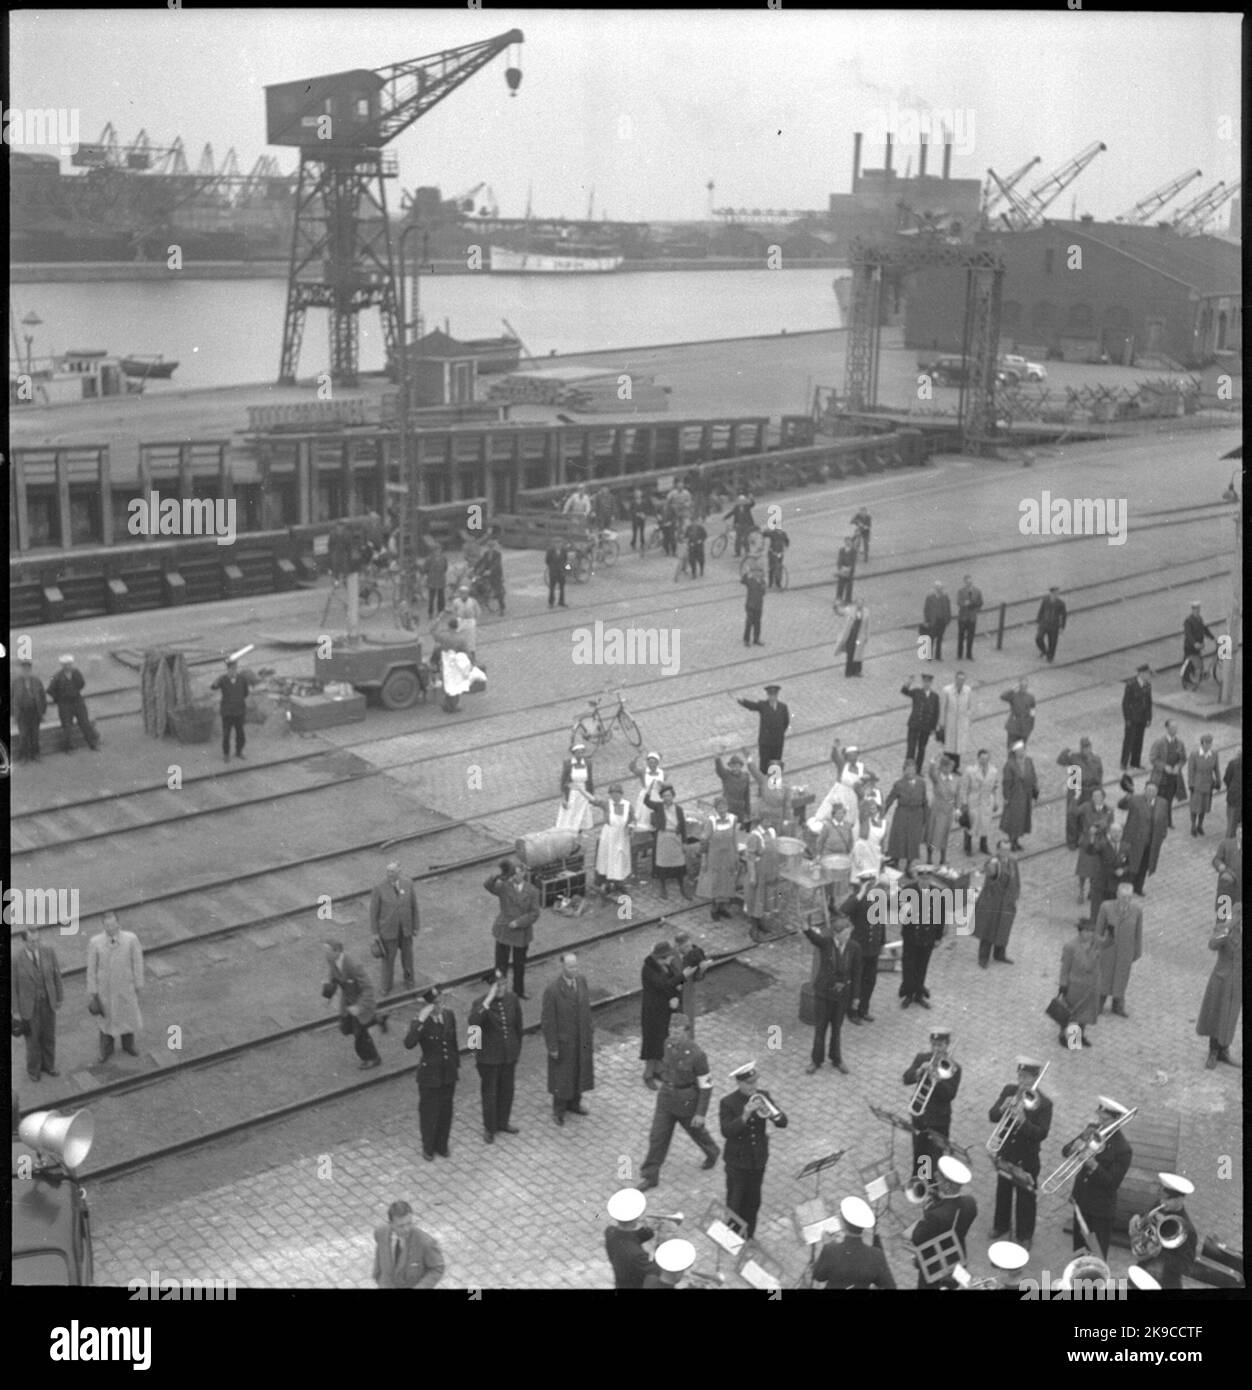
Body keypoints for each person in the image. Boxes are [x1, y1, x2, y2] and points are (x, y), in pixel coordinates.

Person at [637, 1013, 720, 1189]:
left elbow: (706, 1085)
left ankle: (712, 1152)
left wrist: (700, 1113)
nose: (673, 1034)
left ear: (686, 1032)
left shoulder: (697, 1055)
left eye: (677, 1031)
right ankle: (650, 1176)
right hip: (666, 1098)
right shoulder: (667, 1044)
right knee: (657, 1137)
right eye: (671, 1030)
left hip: (686, 1102)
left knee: (697, 1132)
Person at [988, 1058, 1053, 1248]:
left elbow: (1041, 1134)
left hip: (1027, 1157)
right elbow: (992, 1116)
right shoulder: (1009, 1091)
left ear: (1035, 1078)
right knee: (1003, 1191)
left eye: (1025, 1077)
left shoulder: (1044, 1103)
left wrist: (1023, 1122)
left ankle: (1025, 1235)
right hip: (1006, 1151)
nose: (1021, 1081)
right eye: (1020, 1076)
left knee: (1026, 1197)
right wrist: (1003, 1107)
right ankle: (1000, 1225)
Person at [719, 1061, 788, 1238]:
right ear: (739, 1083)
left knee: (753, 1202)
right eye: (749, 1083)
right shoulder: (728, 1102)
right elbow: (726, 1131)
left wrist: (773, 1114)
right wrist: (745, 1115)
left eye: (755, 1082)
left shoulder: (762, 1096)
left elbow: (783, 1122)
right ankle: (732, 1238)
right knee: (735, 1204)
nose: (753, 1086)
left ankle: (749, 1236)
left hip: (757, 1160)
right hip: (737, 1163)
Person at [1067, 1097, 1134, 1258]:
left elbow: (1112, 1183)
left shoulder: (1122, 1149)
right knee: (1079, 1248)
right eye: (1099, 1118)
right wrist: (1073, 1146)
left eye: (1105, 1120)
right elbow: (1065, 1150)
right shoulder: (1092, 1130)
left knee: (1096, 1253)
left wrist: (1094, 1166)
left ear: (1117, 1120)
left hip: (1100, 1209)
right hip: (1081, 1200)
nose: (1100, 1123)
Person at [403, 985, 458, 1160]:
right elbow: (409, 1043)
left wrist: (456, 1065)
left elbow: (453, 1042)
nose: (440, 1005)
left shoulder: (449, 1015)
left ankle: (442, 1145)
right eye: (436, 1003)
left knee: (446, 1111)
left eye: (441, 1001)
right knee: (429, 1113)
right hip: (430, 1075)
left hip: (448, 1072)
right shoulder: (421, 1022)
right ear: (428, 1005)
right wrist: (420, 1019)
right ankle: (428, 1147)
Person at [469, 969, 522, 1143]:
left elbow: (518, 1027)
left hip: (508, 1056)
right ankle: (490, 1128)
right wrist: (488, 1000)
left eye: (504, 984)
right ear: (491, 987)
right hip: (489, 1059)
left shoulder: (512, 999)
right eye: (498, 985)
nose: (502, 988)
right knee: (490, 1094)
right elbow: (473, 1026)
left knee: (507, 1090)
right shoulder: (480, 1003)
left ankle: (503, 1122)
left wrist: (516, 1050)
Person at [803, 917, 860, 1075]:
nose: (848, 937)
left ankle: (836, 1058)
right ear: (836, 933)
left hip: (842, 996)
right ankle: (816, 1060)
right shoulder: (826, 943)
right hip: (824, 994)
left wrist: (856, 997)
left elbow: (857, 973)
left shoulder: (854, 947)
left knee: (837, 1029)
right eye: (845, 934)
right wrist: (806, 927)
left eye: (849, 933)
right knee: (820, 1028)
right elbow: (813, 937)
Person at [543, 952, 595, 1125]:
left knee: (579, 1071)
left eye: (576, 966)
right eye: (570, 967)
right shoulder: (552, 990)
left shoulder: (581, 981)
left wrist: (589, 1030)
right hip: (564, 1042)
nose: (574, 970)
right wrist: (552, 1046)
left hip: (582, 1038)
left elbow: (586, 1008)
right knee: (562, 1077)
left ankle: (575, 1103)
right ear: (563, 967)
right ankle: (558, 1110)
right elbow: (548, 1021)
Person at [902, 1026, 961, 1180]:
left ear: (947, 1045)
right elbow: (906, 1078)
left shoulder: (954, 1068)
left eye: (940, 1045)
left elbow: (950, 1095)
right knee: (921, 1153)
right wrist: (919, 1071)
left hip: (939, 1120)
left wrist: (938, 1080)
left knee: (935, 1156)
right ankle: (920, 1184)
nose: (936, 1049)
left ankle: (933, 1187)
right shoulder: (922, 1058)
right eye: (933, 1045)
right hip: (920, 1116)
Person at [86, 911, 144, 1063]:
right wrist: (93, 990)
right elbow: (91, 968)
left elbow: (137, 962)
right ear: (103, 926)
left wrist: (138, 983)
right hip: (105, 990)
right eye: (107, 926)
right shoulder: (95, 942)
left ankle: (128, 1045)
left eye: (113, 925)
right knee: (106, 1021)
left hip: (125, 987)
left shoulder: (131, 939)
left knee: (127, 1017)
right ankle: (106, 1050)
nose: (110, 928)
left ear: (118, 923)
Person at [911, 1156, 977, 1288]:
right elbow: (951, 1211)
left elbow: (917, 1238)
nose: (935, 1175)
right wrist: (941, 1202)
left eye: (939, 1177)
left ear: (947, 1185)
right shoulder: (970, 1202)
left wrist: (927, 1210)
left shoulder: (935, 1215)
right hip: (957, 1257)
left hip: (935, 1265)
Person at [320, 937, 382, 1070]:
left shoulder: (354, 966)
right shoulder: (332, 960)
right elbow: (334, 977)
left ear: (337, 951)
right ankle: (376, 1019)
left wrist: (359, 1007)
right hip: (348, 1002)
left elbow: (368, 989)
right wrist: (328, 994)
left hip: (361, 1004)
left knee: (360, 1034)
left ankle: (372, 1058)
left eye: (328, 951)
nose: (325, 954)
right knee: (346, 1028)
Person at [12, 927, 63, 1082]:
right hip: (28, 1007)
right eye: (31, 941)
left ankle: (49, 1065)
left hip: (48, 1002)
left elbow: (56, 975)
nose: (35, 944)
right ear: (24, 941)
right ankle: (34, 1070)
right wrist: (15, 1011)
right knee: (32, 1040)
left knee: (49, 1036)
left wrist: (59, 997)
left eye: (37, 940)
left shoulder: (49, 952)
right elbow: (13, 986)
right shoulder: (16, 959)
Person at [1130, 1174, 1198, 1290]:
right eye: (1161, 1197)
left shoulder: (1188, 1230)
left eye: (1167, 1199)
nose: (1162, 1201)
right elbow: (1145, 1218)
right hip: (1141, 1273)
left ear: (1180, 1199)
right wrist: (1137, 1218)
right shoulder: (1160, 1206)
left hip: (1164, 1282)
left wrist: (1159, 1253)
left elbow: (1187, 1267)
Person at [484, 859, 540, 999]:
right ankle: (499, 991)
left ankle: (518, 991)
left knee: (519, 965)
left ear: (524, 873)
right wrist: (497, 876)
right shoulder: (504, 886)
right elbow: (488, 886)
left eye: (518, 873)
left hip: (521, 932)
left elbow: (534, 913)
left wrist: (518, 922)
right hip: (504, 930)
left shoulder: (532, 891)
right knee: (500, 965)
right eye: (513, 873)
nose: (515, 876)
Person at [811, 1197, 896, 1289]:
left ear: (843, 1223)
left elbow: (819, 1276)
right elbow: (890, 1286)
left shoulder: (830, 1249)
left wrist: (824, 1244)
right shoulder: (876, 1255)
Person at [1197, 907, 1241, 1068]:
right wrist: (1227, 928)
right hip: (1221, 980)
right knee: (1217, 1014)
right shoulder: (1224, 927)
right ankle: (1213, 1051)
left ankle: (1224, 1049)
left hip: (1237, 983)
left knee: (1230, 1017)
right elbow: (1213, 944)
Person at [1057, 919, 1110, 1048]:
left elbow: (1107, 943)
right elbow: (1065, 968)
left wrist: (1110, 933)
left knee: (1085, 1014)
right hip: (1075, 986)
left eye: (1092, 931)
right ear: (1080, 931)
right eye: (1087, 931)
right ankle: (1065, 1036)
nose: (1090, 934)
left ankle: (1080, 1036)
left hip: (1091, 986)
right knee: (1072, 1014)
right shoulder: (1070, 946)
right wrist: (1063, 984)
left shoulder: (1095, 943)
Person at [370, 860, 419, 995]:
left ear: (399, 872)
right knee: (388, 961)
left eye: (392, 871)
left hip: (406, 930)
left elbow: (414, 906)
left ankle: (409, 981)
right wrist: (375, 932)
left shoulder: (408, 884)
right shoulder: (379, 888)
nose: (389, 874)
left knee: (408, 959)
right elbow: (373, 912)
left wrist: (415, 926)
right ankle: (386, 986)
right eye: (388, 871)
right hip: (388, 931)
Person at [842, 871, 885, 1022]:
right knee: (856, 982)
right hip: (859, 948)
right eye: (867, 883)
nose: (870, 886)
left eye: (872, 883)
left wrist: (882, 942)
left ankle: (863, 1009)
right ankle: (852, 1011)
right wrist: (860, 893)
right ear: (861, 883)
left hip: (873, 948)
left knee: (870, 981)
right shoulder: (856, 899)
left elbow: (881, 923)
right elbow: (843, 910)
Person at [898, 869, 944, 1009]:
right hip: (911, 935)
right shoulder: (908, 890)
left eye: (927, 878)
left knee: (922, 966)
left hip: (927, 936)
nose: (925, 881)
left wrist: (938, 937)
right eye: (922, 878)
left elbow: (940, 917)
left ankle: (919, 994)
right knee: (908, 966)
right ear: (918, 878)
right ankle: (908, 994)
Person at [1096, 881, 1143, 1018]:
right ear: (1117, 895)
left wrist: (1137, 951)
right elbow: (1098, 930)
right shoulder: (1106, 907)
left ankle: (1118, 1005)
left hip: (1125, 951)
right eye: (1123, 897)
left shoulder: (1137, 910)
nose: (1126, 900)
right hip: (1108, 950)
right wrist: (1098, 946)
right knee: (1105, 977)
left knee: (1121, 979)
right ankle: (1098, 1003)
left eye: (1129, 897)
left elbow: (1138, 933)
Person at [373, 1200, 445, 1288]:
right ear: (391, 1224)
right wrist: (378, 1276)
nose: (406, 1229)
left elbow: (437, 1268)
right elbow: (380, 1251)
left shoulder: (425, 1242)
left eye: (409, 1223)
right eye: (401, 1226)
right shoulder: (380, 1232)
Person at [640, 941, 682, 1088]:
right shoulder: (649, 970)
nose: (672, 959)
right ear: (661, 958)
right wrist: (683, 977)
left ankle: (659, 1069)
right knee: (652, 1041)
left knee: (662, 1040)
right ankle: (648, 1073)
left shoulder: (666, 967)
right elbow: (663, 985)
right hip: (652, 1012)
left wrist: (676, 997)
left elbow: (674, 986)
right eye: (669, 957)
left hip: (665, 1010)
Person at [1118, 780, 1169, 896]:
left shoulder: (1162, 803)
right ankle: (1127, 888)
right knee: (1132, 865)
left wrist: (1162, 834)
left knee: (1145, 865)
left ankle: (1138, 887)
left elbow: (1164, 819)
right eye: (1149, 790)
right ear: (1144, 790)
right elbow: (1121, 805)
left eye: (1153, 791)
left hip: (1151, 842)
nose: (1151, 793)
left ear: (1157, 792)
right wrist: (1126, 797)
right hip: (1135, 841)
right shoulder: (1135, 800)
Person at [974, 842, 1020, 968]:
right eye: (1003, 850)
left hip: (1007, 902)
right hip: (993, 902)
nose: (1006, 852)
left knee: (1004, 928)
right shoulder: (993, 862)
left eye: (1008, 850)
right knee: (989, 929)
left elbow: (1017, 879)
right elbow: (988, 871)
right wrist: (989, 866)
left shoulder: (1012, 861)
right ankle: (983, 958)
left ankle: (999, 954)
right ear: (998, 850)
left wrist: (1016, 895)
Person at [643, 783, 691, 902]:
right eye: (664, 796)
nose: (666, 798)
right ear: (661, 797)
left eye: (668, 795)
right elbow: (646, 801)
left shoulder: (679, 809)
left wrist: (684, 842)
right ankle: (663, 887)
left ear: (673, 796)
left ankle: (682, 886)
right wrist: (650, 788)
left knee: (679, 863)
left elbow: (683, 826)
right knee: (663, 863)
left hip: (676, 837)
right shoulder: (659, 807)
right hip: (663, 837)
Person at [604, 1189, 658, 1288]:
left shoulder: (609, 1232)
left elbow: (630, 1237)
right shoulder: (637, 1255)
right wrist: (661, 1242)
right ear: (638, 1217)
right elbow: (656, 1270)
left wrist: (649, 1230)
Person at [697, 796, 740, 920]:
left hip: (729, 855)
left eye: (724, 807)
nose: (722, 810)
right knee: (716, 881)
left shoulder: (733, 819)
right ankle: (714, 908)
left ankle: (723, 908)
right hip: (715, 856)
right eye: (719, 808)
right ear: (716, 809)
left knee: (727, 881)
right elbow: (704, 841)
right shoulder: (711, 821)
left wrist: (736, 854)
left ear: (727, 807)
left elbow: (734, 837)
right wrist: (704, 859)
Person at [1057, 737, 1104, 850]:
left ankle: (1085, 839)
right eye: (1084, 748)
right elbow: (1060, 760)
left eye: (1088, 747)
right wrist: (1068, 750)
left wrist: (1099, 791)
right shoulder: (1074, 757)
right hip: (1076, 790)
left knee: (1088, 816)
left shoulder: (1096, 759)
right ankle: (1072, 841)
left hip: (1091, 790)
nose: (1086, 750)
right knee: (1073, 815)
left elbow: (1100, 775)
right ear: (1081, 748)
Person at [589, 782, 635, 896]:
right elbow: (593, 801)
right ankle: (608, 883)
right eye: (612, 794)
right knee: (608, 858)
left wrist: (631, 828)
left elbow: (633, 819)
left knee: (620, 858)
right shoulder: (606, 804)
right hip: (609, 836)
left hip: (621, 835)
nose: (614, 796)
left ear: (621, 794)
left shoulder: (627, 805)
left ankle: (619, 883)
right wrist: (581, 790)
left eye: (617, 793)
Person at [47, 654, 99, 753]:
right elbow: (50, 690)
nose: (68, 666)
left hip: (77, 701)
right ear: (62, 665)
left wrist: (75, 691)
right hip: (65, 704)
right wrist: (58, 699)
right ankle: (68, 747)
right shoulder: (56, 676)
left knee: (85, 723)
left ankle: (92, 744)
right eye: (66, 664)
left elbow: (82, 683)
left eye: (69, 664)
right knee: (67, 726)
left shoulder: (76, 672)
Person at [884, 758, 927, 870]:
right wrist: (881, 814)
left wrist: (926, 818)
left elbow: (924, 801)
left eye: (913, 769)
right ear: (904, 771)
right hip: (902, 814)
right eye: (908, 769)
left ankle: (909, 866)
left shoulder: (921, 783)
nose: (911, 772)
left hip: (916, 815)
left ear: (916, 770)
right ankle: (896, 863)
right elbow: (889, 800)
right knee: (899, 838)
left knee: (913, 840)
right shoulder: (899, 784)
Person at [1074, 787, 1113, 907]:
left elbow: (1110, 826)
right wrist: (1083, 831)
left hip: (1100, 844)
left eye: (1099, 796)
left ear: (1103, 797)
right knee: (1083, 869)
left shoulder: (1109, 810)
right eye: (1094, 796)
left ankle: (1092, 889)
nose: (1096, 798)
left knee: (1096, 868)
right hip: (1087, 842)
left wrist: (1103, 831)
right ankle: (1081, 891)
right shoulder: (1086, 807)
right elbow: (1074, 814)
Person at [743, 822, 781, 942]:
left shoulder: (772, 831)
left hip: (769, 872)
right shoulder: (754, 836)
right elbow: (750, 858)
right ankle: (753, 928)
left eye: (770, 819)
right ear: (761, 820)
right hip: (759, 873)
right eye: (766, 819)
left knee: (765, 900)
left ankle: (760, 923)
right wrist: (753, 876)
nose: (768, 822)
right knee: (756, 900)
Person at [736, 684, 790, 768]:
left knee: (776, 764)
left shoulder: (783, 707)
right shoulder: (763, 705)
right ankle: (763, 776)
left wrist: (779, 733)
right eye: (771, 695)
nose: (772, 697)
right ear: (768, 695)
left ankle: (774, 777)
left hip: (778, 743)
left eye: (774, 695)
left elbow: (786, 722)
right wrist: (742, 700)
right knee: (764, 764)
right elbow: (752, 705)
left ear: (777, 695)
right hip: (765, 743)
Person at [959, 747, 999, 856]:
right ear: (978, 758)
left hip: (987, 801)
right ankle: (967, 846)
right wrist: (964, 803)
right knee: (972, 824)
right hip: (974, 801)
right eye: (982, 759)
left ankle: (983, 845)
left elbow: (995, 787)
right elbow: (964, 788)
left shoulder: (993, 771)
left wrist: (996, 801)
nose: (984, 761)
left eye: (986, 759)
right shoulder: (970, 771)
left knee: (985, 825)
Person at [1148, 719, 1187, 828]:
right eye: (1172, 728)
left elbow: (1183, 759)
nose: (1175, 730)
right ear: (1167, 728)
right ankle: (1155, 822)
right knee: (1157, 801)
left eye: (1176, 728)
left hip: (1173, 779)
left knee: (1169, 801)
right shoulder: (1159, 742)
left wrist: (1178, 766)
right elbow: (1153, 758)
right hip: (1160, 778)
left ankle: (1168, 822)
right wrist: (1164, 767)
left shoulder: (1180, 743)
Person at [1000, 742, 1038, 851]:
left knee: (1022, 819)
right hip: (1015, 796)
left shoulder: (1029, 761)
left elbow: (1033, 775)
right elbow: (1006, 782)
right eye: (1019, 751)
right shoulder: (1010, 764)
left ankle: (1016, 840)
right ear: (1015, 752)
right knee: (1013, 819)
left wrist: (1035, 791)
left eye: (1023, 750)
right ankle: (1012, 841)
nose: (1022, 752)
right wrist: (1006, 797)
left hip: (1026, 795)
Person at [925, 754, 959, 865]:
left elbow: (956, 795)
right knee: (933, 834)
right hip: (937, 810)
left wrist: (957, 808)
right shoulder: (937, 778)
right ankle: (929, 857)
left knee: (945, 834)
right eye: (947, 767)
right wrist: (932, 761)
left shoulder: (954, 779)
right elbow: (931, 773)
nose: (949, 770)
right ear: (942, 767)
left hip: (948, 812)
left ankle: (943, 858)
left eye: (951, 767)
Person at [11, 658, 47, 763]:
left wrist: (42, 712)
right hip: (22, 714)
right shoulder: (15, 682)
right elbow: (11, 698)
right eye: (24, 667)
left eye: (28, 667)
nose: (26, 669)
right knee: (23, 736)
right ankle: (23, 756)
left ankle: (36, 754)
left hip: (35, 712)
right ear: (21, 669)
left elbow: (42, 697)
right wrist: (13, 715)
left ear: (30, 669)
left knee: (35, 735)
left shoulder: (37, 681)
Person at [671, 927, 710, 1027]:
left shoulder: (695, 953)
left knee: (687, 1020)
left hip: (687, 993)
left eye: (690, 945)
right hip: (673, 994)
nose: (689, 949)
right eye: (686, 946)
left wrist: (702, 970)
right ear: (678, 946)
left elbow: (697, 978)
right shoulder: (671, 958)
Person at [901, 673, 940, 768]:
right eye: (925, 682)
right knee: (911, 747)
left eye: (928, 682)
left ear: (931, 683)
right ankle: (908, 768)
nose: (926, 684)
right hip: (914, 724)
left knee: (922, 748)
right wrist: (908, 682)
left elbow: (936, 713)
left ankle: (918, 768)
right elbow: (904, 691)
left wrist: (933, 728)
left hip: (926, 726)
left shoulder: (935, 696)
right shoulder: (917, 692)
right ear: (922, 682)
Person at [556, 742, 596, 833]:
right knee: (570, 814)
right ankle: (568, 833)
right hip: (572, 793)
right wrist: (563, 798)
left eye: (582, 752)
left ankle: (579, 832)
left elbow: (590, 780)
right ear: (574, 754)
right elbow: (563, 781)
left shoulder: (588, 763)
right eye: (578, 753)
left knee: (581, 814)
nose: (580, 755)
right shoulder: (568, 764)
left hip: (584, 793)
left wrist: (591, 795)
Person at [938, 671, 974, 771]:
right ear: (955, 679)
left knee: (958, 746)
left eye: (962, 680)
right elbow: (942, 707)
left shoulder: (968, 690)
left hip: (961, 722)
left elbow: (970, 707)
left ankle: (955, 767)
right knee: (948, 746)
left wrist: (968, 720)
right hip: (950, 722)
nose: (960, 682)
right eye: (959, 679)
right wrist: (942, 722)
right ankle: (945, 766)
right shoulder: (947, 690)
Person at [1121, 664, 1153, 770]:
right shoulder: (1131, 685)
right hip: (1132, 718)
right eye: (1147, 673)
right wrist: (1127, 719)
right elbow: (1125, 703)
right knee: (1129, 741)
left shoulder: (1147, 685)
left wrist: (1149, 717)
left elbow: (1149, 702)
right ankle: (1124, 763)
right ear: (1141, 674)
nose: (1149, 675)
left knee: (1139, 741)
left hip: (1142, 718)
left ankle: (1135, 762)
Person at [1187, 734, 1220, 836]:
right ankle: (1193, 826)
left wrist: (1218, 781)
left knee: (1204, 806)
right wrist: (1191, 784)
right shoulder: (1194, 754)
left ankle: (1200, 825)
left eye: (1210, 743)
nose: (1208, 745)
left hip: (1208, 784)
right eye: (1206, 743)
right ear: (1202, 743)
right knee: (1195, 806)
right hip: (1197, 784)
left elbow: (1216, 769)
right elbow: (1190, 770)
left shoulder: (1214, 754)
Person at [1181, 600, 1216, 687]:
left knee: (1197, 663)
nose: (1197, 610)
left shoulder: (1200, 618)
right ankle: (1187, 681)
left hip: (1198, 647)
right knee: (1191, 664)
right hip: (1190, 647)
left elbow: (1205, 629)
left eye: (1198, 608)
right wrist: (1194, 643)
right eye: (1195, 609)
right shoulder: (1188, 621)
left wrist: (1213, 638)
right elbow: (1188, 634)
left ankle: (1195, 679)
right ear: (1192, 610)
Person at [714, 750, 752, 826]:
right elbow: (719, 769)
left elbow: (746, 795)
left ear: (740, 766)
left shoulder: (745, 777)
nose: (734, 769)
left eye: (736, 766)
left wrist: (748, 812)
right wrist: (718, 758)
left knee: (740, 829)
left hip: (740, 809)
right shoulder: (726, 775)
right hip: (728, 808)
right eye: (732, 766)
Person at [630, 750, 667, 824]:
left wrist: (662, 785)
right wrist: (636, 757)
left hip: (657, 797)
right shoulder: (643, 772)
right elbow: (632, 768)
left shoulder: (663, 773)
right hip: (646, 796)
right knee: (643, 817)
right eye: (650, 762)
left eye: (654, 762)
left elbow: (665, 787)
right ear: (647, 763)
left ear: (657, 763)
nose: (652, 765)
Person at [1000, 678, 1036, 752]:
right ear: (1019, 686)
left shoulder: (1031, 697)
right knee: (1011, 749)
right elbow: (1002, 696)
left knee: (1021, 750)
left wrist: (1031, 726)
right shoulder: (1013, 695)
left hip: (1025, 728)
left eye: (1025, 685)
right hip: (1014, 727)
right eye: (1022, 685)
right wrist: (1012, 689)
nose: (1023, 687)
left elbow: (1032, 712)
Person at [836, 600, 869, 676]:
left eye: (861, 603)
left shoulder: (866, 612)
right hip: (851, 636)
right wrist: (837, 607)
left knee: (858, 654)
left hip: (859, 637)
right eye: (858, 603)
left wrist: (866, 636)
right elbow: (841, 612)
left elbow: (867, 625)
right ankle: (848, 672)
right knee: (850, 654)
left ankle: (857, 671)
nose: (860, 605)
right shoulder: (850, 610)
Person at [448, 584, 480, 662]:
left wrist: (473, 619)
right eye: (461, 593)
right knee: (460, 640)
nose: (463, 595)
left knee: (471, 641)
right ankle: (461, 657)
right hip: (460, 622)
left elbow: (477, 611)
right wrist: (456, 619)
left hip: (470, 622)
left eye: (465, 593)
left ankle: (472, 658)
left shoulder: (473, 601)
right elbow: (453, 611)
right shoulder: (456, 602)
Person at [955, 574, 983, 661]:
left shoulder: (977, 591)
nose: (969, 583)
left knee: (970, 637)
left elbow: (980, 602)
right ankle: (959, 655)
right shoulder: (961, 591)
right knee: (961, 636)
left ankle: (969, 655)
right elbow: (959, 602)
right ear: (965, 582)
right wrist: (964, 604)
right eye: (967, 582)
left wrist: (976, 609)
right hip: (962, 618)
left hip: (972, 618)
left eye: (970, 581)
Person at [1035, 586, 1067, 662]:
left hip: (1054, 625)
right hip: (1044, 624)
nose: (1056, 595)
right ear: (1051, 593)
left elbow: (1064, 616)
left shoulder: (1061, 603)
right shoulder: (1045, 600)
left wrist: (1062, 627)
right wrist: (1038, 621)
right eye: (1055, 593)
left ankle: (1050, 657)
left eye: (1057, 593)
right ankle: (1044, 650)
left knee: (1052, 642)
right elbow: (1041, 610)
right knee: (1038, 638)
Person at [922, 581, 951, 661]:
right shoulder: (930, 598)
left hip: (942, 621)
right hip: (933, 621)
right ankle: (929, 656)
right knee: (931, 638)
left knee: (940, 639)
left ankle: (938, 656)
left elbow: (948, 609)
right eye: (937, 587)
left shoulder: (945, 597)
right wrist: (926, 621)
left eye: (940, 587)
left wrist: (948, 619)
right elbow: (926, 610)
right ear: (934, 588)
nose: (939, 589)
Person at [741, 563, 766, 646]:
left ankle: (756, 639)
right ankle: (746, 640)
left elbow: (763, 593)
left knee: (757, 623)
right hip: (750, 605)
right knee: (749, 623)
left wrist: (761, 585)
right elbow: (743, 581)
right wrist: (746, 573)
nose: (759, 574)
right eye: (757, 572)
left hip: (759, 605)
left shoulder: (762, 582)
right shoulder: (750, 580)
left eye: (760, 572)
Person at [724, 492, 757, 556]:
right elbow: (731, 513)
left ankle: (747, 552)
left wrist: (752, 499)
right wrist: (725, 517)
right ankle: (737, 553)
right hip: (739, 525)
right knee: (738, 539)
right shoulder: (736, 507)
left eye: (742, 500)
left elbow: (752, 504)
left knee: (745, 538)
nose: (741, 502)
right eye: (740, 500)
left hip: (747, 525)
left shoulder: (747, 506)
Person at [763, 520, 789, 590]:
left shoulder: (783, 534)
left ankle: (778, 583)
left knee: (779, 568)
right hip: (772, 553)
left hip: (780, 553)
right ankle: (770, 583)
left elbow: (787, 541)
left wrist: (785, 547)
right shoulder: (772, 533)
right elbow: (764, 534)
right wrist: (767, 530)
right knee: (772, 568)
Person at [424, 544, 448, 618]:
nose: (438, 551)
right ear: (433, 551)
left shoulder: (443, 558)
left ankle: (441, 611)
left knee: (441, 597)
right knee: (431, 598)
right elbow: (426, 569)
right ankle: (430, 613)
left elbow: (445, 568)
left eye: (439, 549)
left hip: (441, 579)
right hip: (432, 580)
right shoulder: (429, 559)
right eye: (436, 550)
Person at [544, 541, 571, 609]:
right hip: (553, 572)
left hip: (561, 572)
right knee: (552, 588)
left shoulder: (564, 550)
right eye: (557, 543)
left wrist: (565, 570)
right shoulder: (550, 551)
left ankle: (561, 602)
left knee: (562, 588)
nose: (558, 545)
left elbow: (565, 560)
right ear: (554, 544)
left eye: (560, 543)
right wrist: (552, 567)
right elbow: (547, 560)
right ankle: (551, 603)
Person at [1223, 749, 1242, 838]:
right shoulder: (1233, 764)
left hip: (1234, 799)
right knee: (1231, 829)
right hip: (1235, 800)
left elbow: (1227, 780)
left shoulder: (1233, 763)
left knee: (1232, 828)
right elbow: (1227, 779)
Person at [835, 533, 858, 604]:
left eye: (849, 542)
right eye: (846, 542)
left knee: (849, 586)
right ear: (845, 542)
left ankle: (848, 600)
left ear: (851, 542)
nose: (848, 543)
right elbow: (839, 560)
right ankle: (839, 599)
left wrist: (849, 568)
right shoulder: (841, 550)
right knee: (840, 585)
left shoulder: (854, 551)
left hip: (849, 570)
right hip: (842, 569)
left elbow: (854, 561)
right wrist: (840, 567)